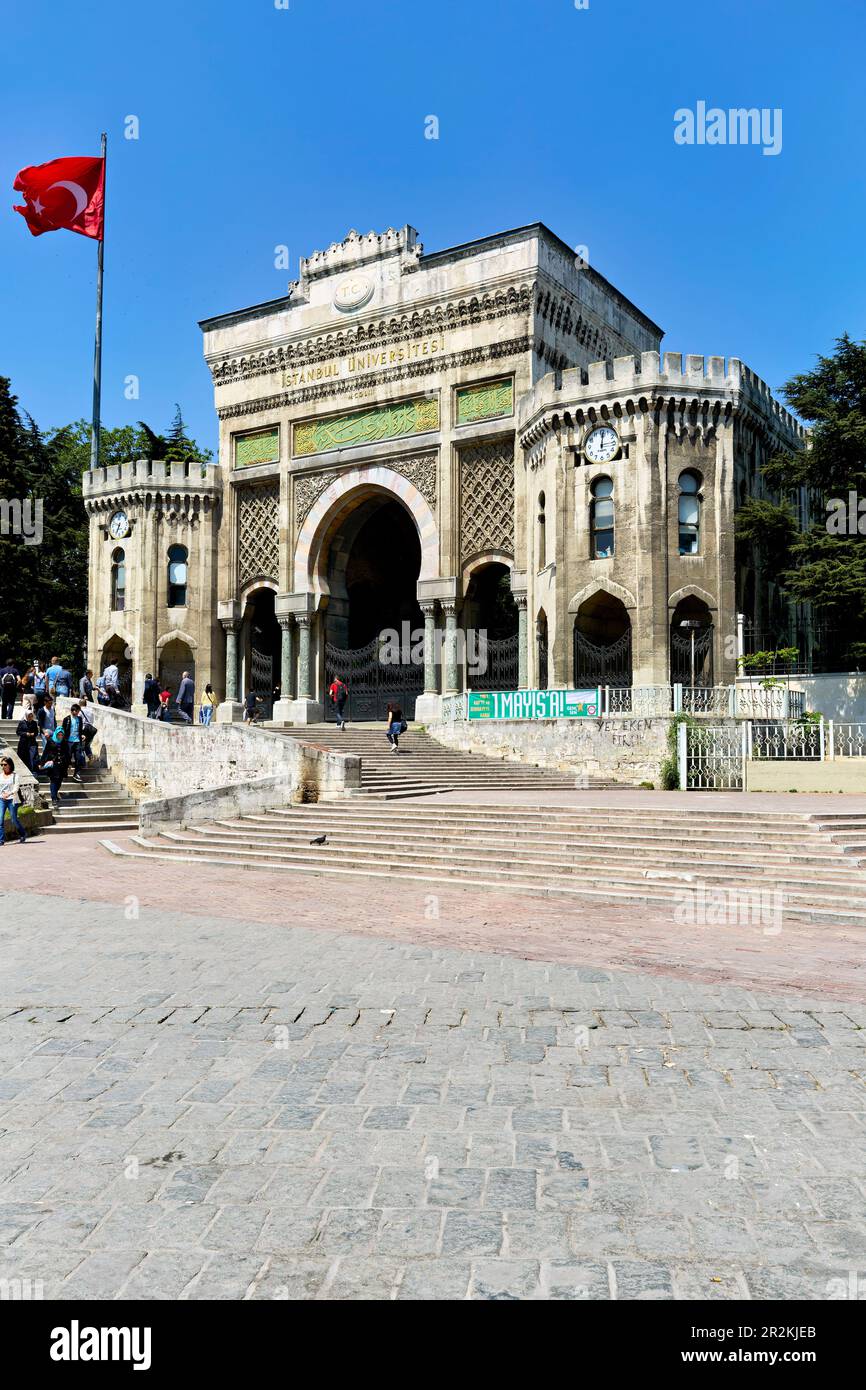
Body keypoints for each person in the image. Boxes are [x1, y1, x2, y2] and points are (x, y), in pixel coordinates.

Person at [0, 756, 28, 845]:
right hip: (2, 799)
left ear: (10, 765)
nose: (3, 766)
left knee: (13, 819)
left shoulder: (15, 776)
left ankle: (23, 834)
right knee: (0, 820)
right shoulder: (0, 776)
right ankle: (1, 840)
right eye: (1, 765)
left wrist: (9, 793)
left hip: (12, 800)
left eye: (5, 764)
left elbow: (16, 788)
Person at [40, 726, 70, 805]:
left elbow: (68, 753)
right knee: (53, 781)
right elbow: (45, 752)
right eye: (59, 735)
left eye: (61, 735)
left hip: (62, 765)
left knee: (59, 782)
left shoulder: (64, 742)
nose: (60, 736)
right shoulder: (50, 741)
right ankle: (53, 798)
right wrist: (42, 763)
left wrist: (68, 763)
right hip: (53, 764)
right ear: (56, 734)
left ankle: (55, 794)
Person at [61, 704, 86, 781]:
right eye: (74, 711)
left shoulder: (80, 719)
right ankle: (64, 772)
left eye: (77, 711)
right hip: (69, 741)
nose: (76, 712)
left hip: (77, 741)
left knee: (78, 758)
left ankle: (76, 774)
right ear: (72, 711)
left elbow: (80, 729)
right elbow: (63, 730)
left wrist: (82, 735)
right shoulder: (67, 719)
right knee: (67, 757)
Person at [16, 708, 40, 774]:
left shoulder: (34, 723)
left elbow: (36, 732)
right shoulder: (22, 723)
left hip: (31, 743)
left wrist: (33, 734)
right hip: (23, 744)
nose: (30, 717)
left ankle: (30, 771)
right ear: (26, 716)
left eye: (31, 716)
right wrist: (25, 734)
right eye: (29, 716)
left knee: (30, 758)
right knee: (22, 757)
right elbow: (18, 732)